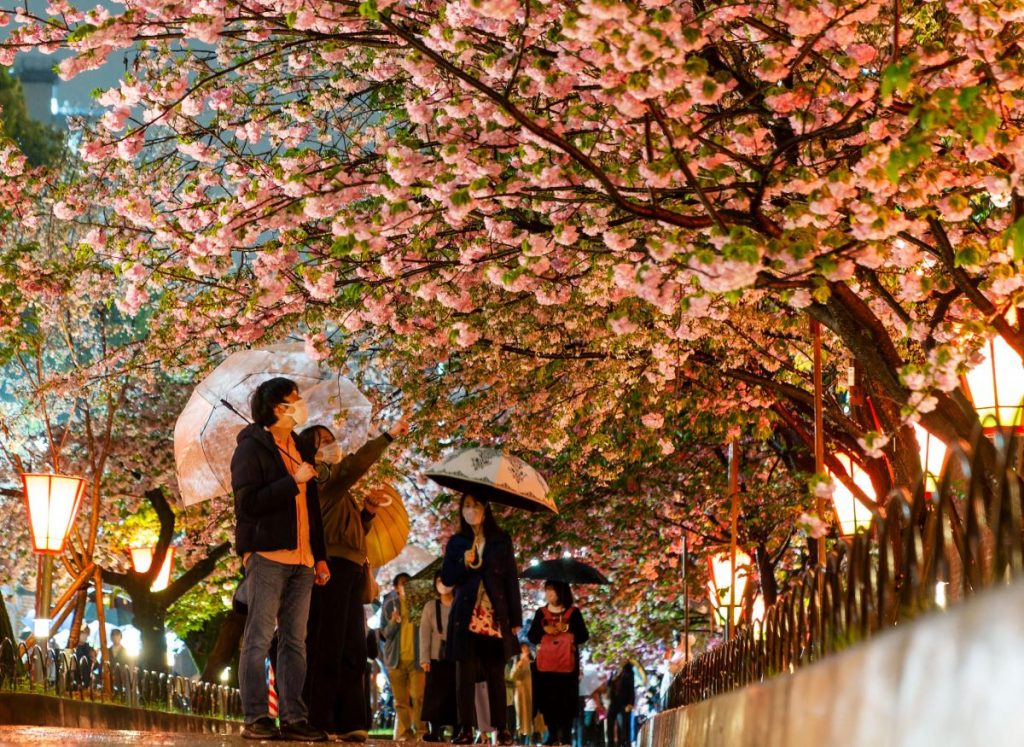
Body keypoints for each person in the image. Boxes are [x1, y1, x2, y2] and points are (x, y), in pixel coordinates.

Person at [231, 376, 330, 742]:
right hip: (269, 555)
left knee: (294, 641)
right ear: (277, 407)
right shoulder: (251, 448)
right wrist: (293, 482)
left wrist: (319, 557)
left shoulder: (298, 447)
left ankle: (293, 717)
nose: (301, 403)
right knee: (258, 637)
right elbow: (247, 504)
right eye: (294, 399)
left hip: (303, 559)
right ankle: (256, 716)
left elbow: (312, 509)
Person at [299, 418, 407, 742]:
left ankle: (349, 721)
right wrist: (386, 436)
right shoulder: (320, 478)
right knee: (329, 643)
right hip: (331, 567)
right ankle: (320, 717)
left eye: (332, 439)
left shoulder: (336, 487)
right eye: (323, 441)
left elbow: (349, 532)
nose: (331, 445)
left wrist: (367, 514)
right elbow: (353, 467)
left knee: (352, 646)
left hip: (350, 567)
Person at [441, 494, 522, 746]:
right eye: (466, 506)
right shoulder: (457, 542)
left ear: (486, 509)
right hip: (465, 615)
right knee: (464, 674)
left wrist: (515, 617)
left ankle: (502, 728)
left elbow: (510, 579)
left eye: (475, 505)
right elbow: (447, 577)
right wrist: (463, 563)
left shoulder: (501, 541)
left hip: (493, 614)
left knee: (495, 673)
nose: (470, 510)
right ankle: (466, 727)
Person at [527, 581, 589, 746]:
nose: (549, 594)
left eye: (552, 591)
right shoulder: (541, 613)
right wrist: (544, 630)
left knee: (566, 701)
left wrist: (567, 627)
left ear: (561, 592)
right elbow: (532, 636)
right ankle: (552, 733)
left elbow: (583, 636)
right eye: (547, 590)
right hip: (546, 667)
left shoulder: (573, 613)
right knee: (548, 700)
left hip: (567, 667)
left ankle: (565, 734)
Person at [381, 573, 425, 740]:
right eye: (402, 584)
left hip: (417, 659)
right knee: (400, 701)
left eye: (408, 583)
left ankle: (420, 730)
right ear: (396, 588)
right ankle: (406, 732)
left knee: (418, 697)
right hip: (395, 660)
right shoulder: (389, 605)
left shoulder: (419, 607)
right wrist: (393, 621)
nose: (405, 586)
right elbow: (385, 634)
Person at [419, 571, 458, 742]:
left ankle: (458, 729)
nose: (442, 584)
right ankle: (434, 729)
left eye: (445, 580)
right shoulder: (430, 606)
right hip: (436, 658)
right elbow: (424, 634)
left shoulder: (460, 605)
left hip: (457, 657)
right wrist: (424, 659)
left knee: (455, 694)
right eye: (438, 581)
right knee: (435, 695)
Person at [510, 642, 535, 745]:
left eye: (526, 648)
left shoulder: (533, 659)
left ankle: (532, 739)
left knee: (533, 717)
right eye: (523, 648)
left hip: (532, 693)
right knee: (521, 717)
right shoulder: (517, 660)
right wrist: (518, 666)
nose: (525, 650)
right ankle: (520, 739)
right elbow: (512, 676)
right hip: (521, 694)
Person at [606, 662, 635, 747]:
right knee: (610, 723)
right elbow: (609, 685)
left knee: (624, 726)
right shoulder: (613, 672)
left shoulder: (629, 672)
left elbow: (631, 688)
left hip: (624, 703)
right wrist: (612, 678)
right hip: (614, 702)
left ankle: (625, 743)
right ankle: (611, 743)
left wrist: (630, 703)